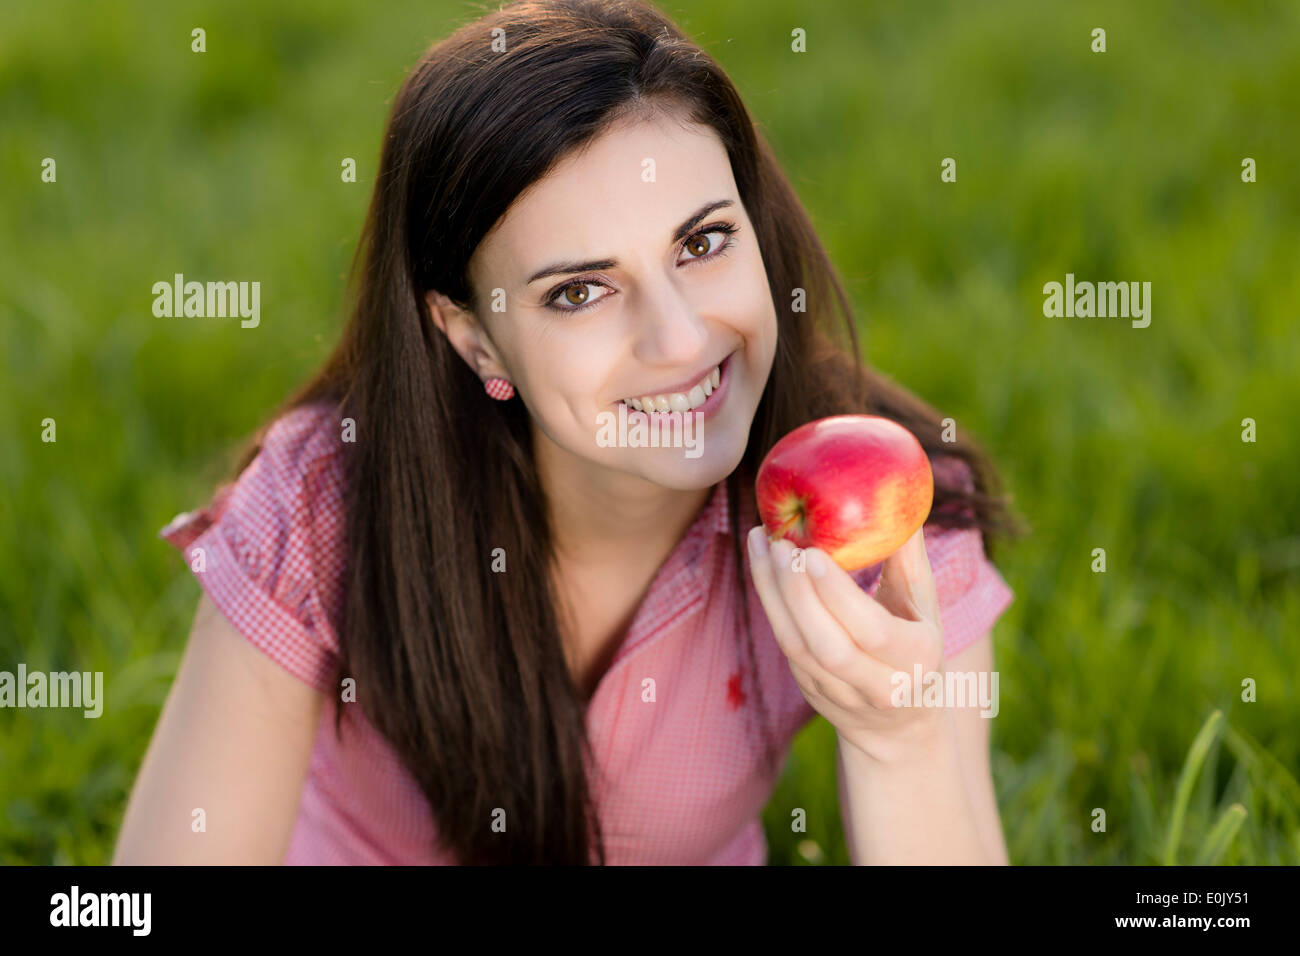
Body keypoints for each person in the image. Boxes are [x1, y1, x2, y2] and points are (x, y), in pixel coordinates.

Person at [113, 0, 1022, 866]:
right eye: (579, 292)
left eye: (701, 244)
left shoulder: (889, 512)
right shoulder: (325, 502)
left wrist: (901, 740)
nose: (679, 340)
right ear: (473, 338)